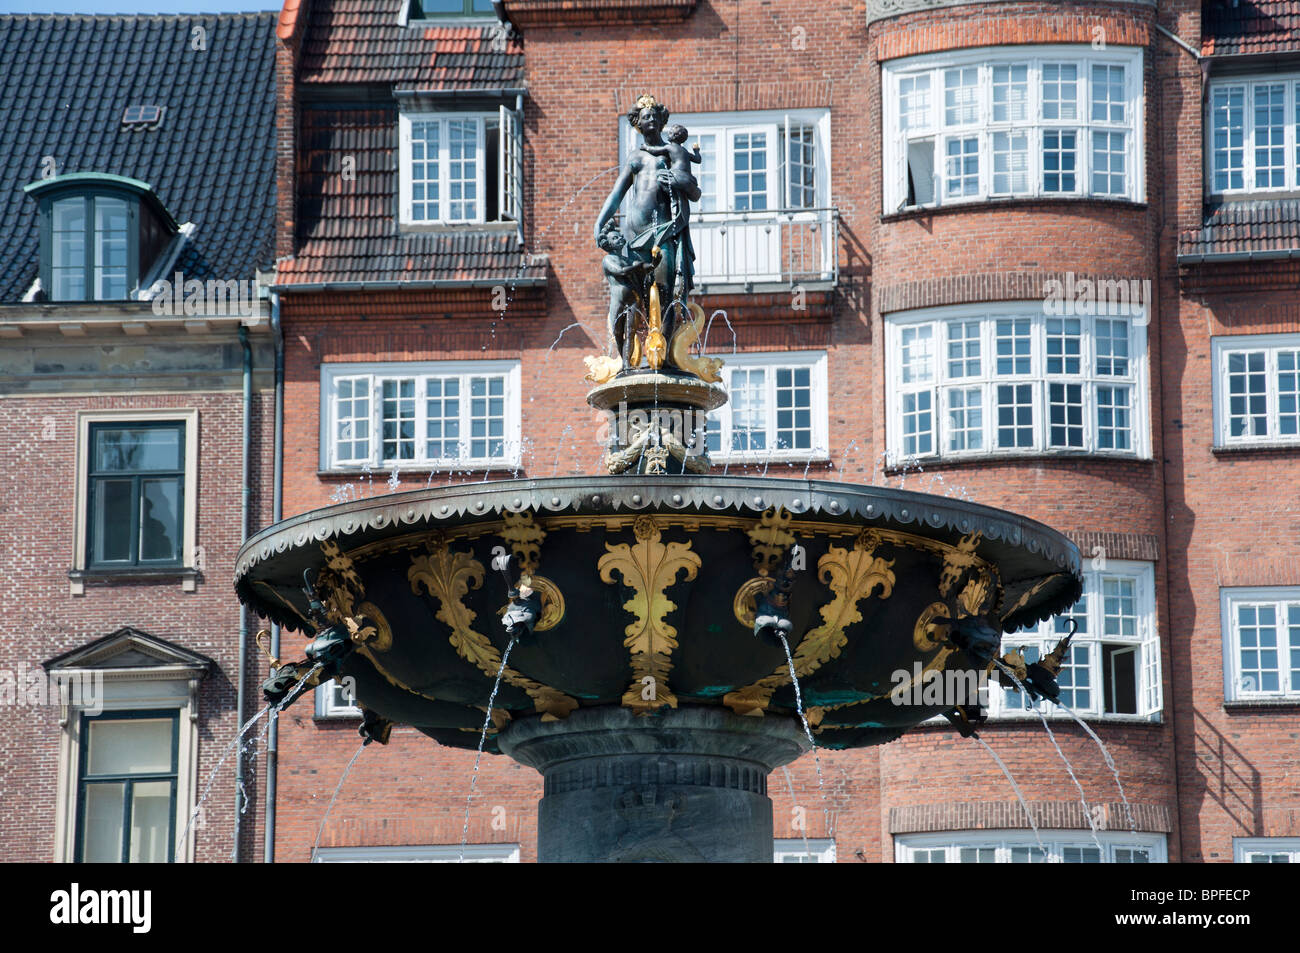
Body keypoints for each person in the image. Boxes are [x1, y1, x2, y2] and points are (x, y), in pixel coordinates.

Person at [593, 96, 700, 346]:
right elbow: (616, 194)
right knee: (632, 298)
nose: (650, 119)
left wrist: (676, 180)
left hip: (663, 232)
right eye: (645, 116)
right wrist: (599, 223)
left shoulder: (674, 153)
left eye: (654, 115)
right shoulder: (635, 158)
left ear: (661, 121)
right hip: (634, 236)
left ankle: (662, 355)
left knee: (666, 294)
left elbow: (695, 192)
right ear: (637, 124)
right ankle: (626, 356)